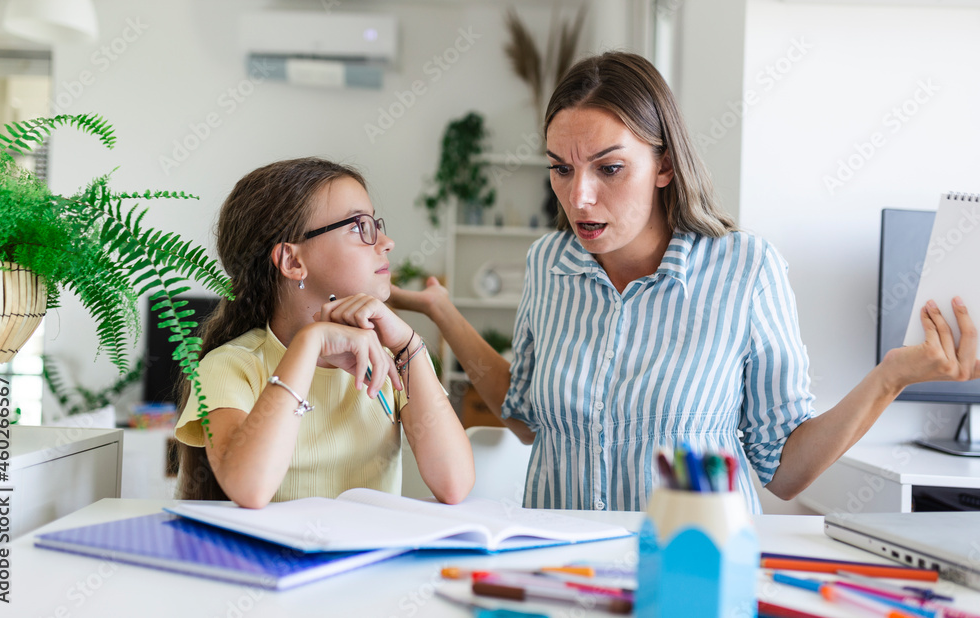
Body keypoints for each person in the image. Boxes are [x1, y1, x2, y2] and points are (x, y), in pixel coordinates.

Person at [390, 51, 979, 513]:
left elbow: (785, 472)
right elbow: (524, 415)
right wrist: (440, 310)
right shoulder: (550, 263)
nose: (579, 197)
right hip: (564, 575)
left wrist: (891, 377)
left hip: (690, 577)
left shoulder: (746, 270)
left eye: (610, 168)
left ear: (665, 165)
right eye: (561, 170)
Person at [175, 157, 474, 508]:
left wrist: (409, 345)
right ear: (292, 262)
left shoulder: (389, 358)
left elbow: (453, 485)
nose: (386, 242)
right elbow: (249, 489)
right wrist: (310, 342)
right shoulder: (229, 366)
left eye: (376, 224)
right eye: (358, 226)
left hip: (370, 560)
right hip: (271, 562)